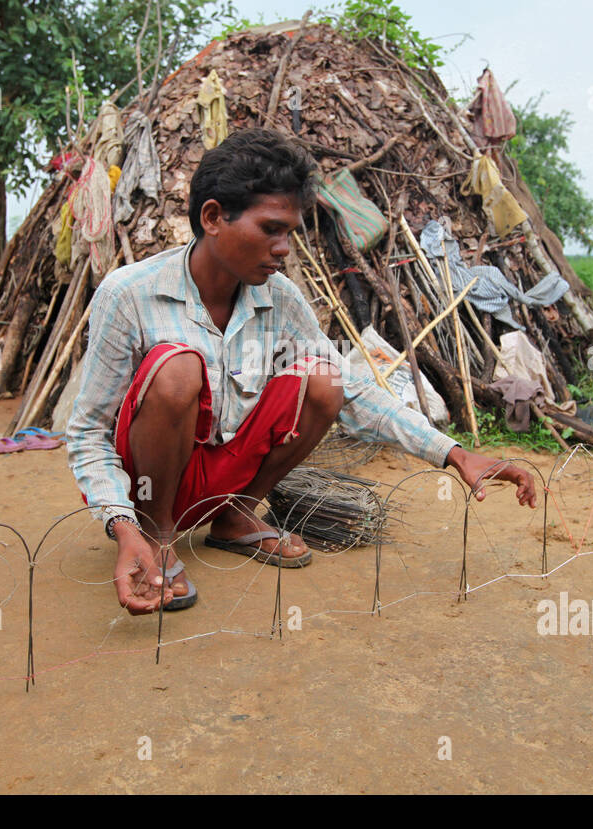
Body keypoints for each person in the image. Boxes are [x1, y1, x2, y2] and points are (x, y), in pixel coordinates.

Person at [66, 127, 536, 614]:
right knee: (178, 369)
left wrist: (454, 454)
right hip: (152, 482)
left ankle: (236, 515)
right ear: (212, 217)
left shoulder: (281, 299)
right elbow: (87, 432)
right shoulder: (130, 294)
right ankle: (155, 536)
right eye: (271, 228)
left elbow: (352, 390)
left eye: (289, 232)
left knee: (325, 378)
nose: (284, 248)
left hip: (223, 474)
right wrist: (121, 523)